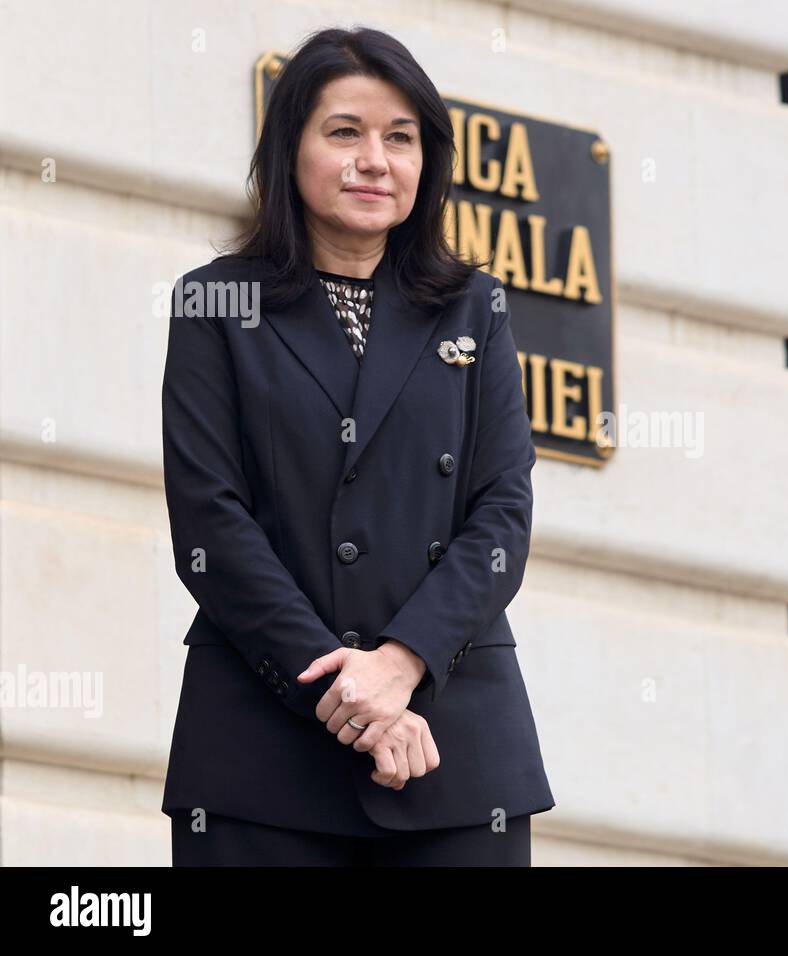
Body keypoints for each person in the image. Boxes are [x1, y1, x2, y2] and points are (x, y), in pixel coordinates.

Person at [159, 25, 554, 866]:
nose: (375, 159)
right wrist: (352, 693)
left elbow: (502, 516)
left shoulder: (474, 309)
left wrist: (403, 664)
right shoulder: (215, 305)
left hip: (454, 751)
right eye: (345, 132)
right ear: (290, 149)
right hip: (261, 756)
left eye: (400, 138)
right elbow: (210, 526)